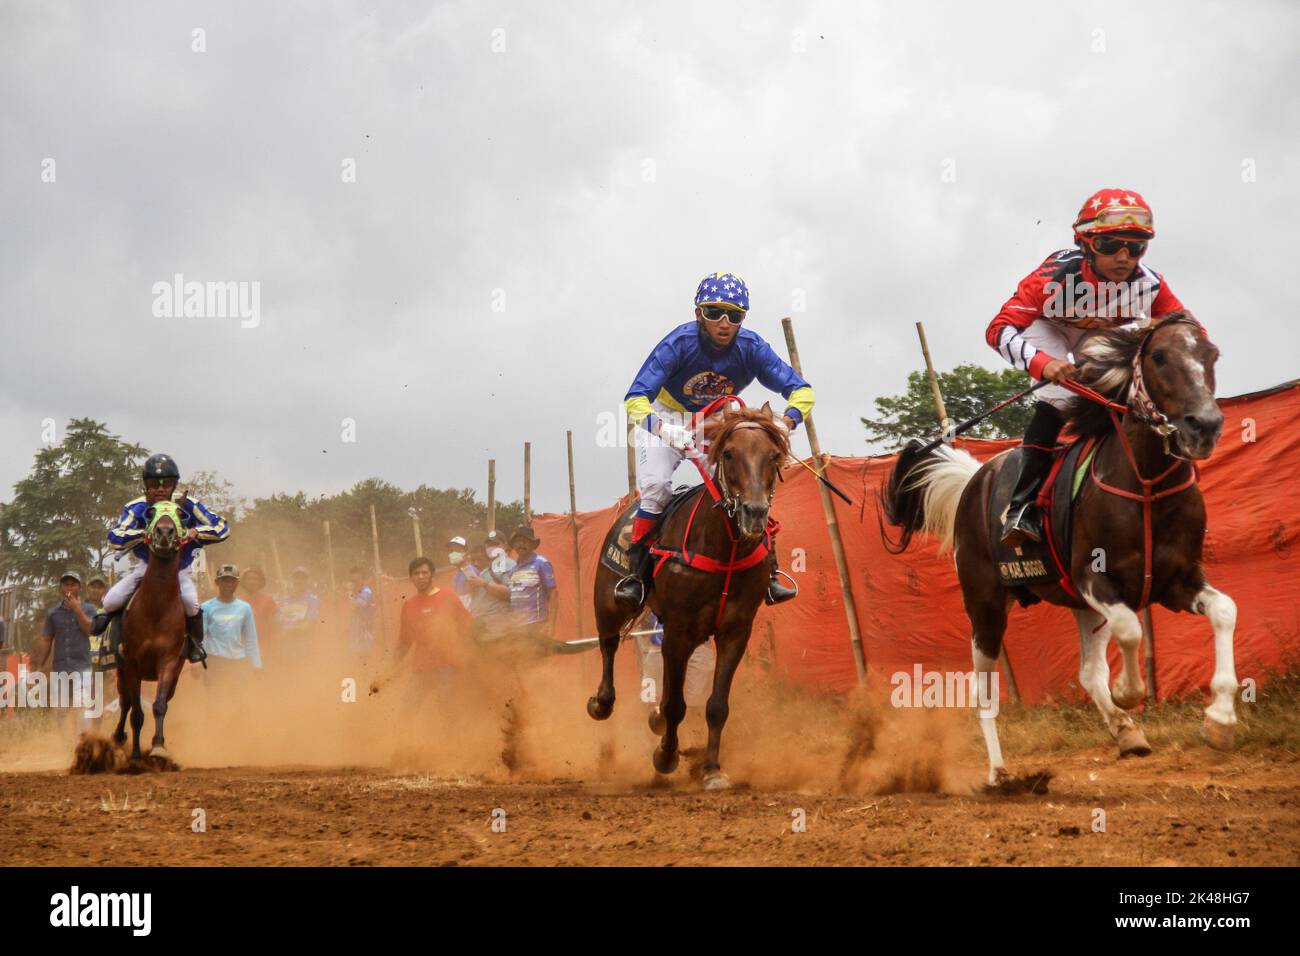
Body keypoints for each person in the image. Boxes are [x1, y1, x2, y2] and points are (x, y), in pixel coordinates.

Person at [987, 189, 1187, 545]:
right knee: (1061, 396)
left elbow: (1186, 328)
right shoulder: (1051, 279)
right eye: (1110, 245)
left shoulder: (1150, 285)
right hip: (1047, 327)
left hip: (1095, 332)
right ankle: (1022, 506)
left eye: (1136, 247)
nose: (1124, 257)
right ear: (1085, 243)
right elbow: (998, 329)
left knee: (1121, 384)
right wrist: (1042, 363)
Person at [616, 271, 814, 608]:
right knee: (656, 486)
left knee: (749, 478)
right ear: (698, 314)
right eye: (714, 313)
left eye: (734, 315)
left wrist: (786, 424)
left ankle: (770, 571)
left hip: (716, 419)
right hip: (669, 415)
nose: (724, 323)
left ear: (742, 320)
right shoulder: (678, 344)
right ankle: (636, 575)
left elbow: (802, 391)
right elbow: (635, 399)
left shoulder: (752, 348)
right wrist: (663, 429)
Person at [93, 453, 231, 664]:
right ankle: (111, 649)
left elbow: (222, 528)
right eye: (154, 483)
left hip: (180, 571)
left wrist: (196, 531)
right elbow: (114, 537)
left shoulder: (188, 504)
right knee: (111, 601)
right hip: (146, 568)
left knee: (191, 603)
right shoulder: (136, 507)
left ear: (174, 485)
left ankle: (195, 645)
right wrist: (141, 534)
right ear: (146, 485)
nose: (160, 488)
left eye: (165, 483)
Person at [384, 556, 475, 698]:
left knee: (445, 706)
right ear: (411, 578)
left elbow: (468, 625)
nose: (420, 577)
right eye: (416, 573)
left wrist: (471, 655)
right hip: (422, 667)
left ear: (432, 575)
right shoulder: (408, 605)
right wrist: (390, 669)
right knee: (407, 707)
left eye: (424, 572)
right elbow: (404, 642)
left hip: (448, 665)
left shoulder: (447, 595)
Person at [479, 526, 557, 651]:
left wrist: (551, 624)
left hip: (536, 625)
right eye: (517, 541)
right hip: (517, 627)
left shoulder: (541, 563)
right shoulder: (514, 569)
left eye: (525, 541)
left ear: (533, 544)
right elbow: (512, 597)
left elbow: (553, 594)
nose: (521, 545)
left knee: (536, 664)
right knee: (520, 665)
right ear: (513, 545)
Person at [199, 564, 262, 675]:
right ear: (217, 582)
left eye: (231, 581)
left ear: (237, 583)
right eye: (224, 580)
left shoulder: (245, 608)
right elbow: (200, 638)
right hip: (215, 662)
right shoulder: (206, 607)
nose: (228, 585)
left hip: (238, 663)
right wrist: (199, 661)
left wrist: (256, 665)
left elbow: (251, 639)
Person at [463, 530, 517, 641]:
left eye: (495, 544)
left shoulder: (508, 564)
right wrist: (473, 587)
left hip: (496, 625)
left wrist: (485, 584)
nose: (491, 548)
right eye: (489, 545)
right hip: (482, 624)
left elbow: (511, 594)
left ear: (505, 545)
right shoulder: (487, 569)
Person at [239, 566, 279, 654]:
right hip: (242, 650)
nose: (252, 582)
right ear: (244, 582)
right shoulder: (237, 602)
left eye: (255, 579)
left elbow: (274, 626)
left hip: (264, 648)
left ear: (260, 582)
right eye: (249, 579)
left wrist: (272, 647)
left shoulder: (268, 600)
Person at [278, 567, 321, 639]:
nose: (299, 581)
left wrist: (288, 629)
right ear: (292, 581)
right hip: (286, 641)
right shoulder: (284, 600)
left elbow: (309, 623)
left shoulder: (313, 600)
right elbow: (280, 621)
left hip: (305, 640)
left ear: (307, 581)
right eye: (296, 578)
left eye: (303, 578)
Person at [345, 566, 376, 658]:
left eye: (356, 580)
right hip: (355, 634)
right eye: (352, 581)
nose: (354, 583)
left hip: (364, 634)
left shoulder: (366, 592)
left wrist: (349, 592)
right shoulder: (356, 593)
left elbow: (355, 606)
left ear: (363, 579)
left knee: (362, 661)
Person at [445, 535, 481, 612]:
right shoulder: (457, 576)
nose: (453, 553)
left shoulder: (470, 572)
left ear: (466, 553)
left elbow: (476, 598)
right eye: (451, 551)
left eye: (457, 550)